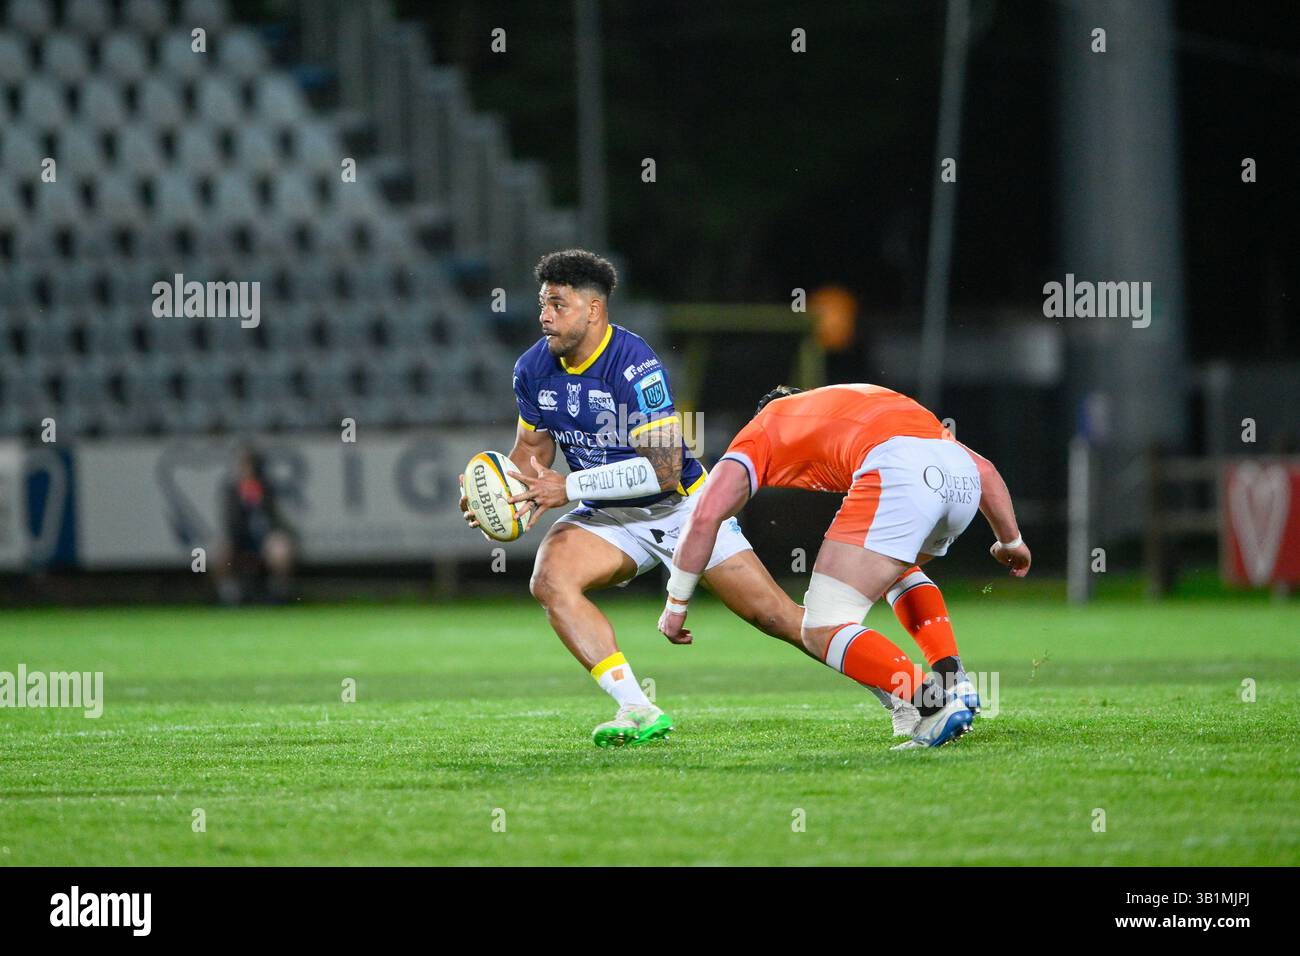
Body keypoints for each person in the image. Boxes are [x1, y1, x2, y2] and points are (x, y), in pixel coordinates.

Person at [458, 249, 808, 747]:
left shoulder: (634, 363)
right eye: (542, 303)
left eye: (557, 304)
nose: (544, 316)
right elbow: (532, 452)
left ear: (593, 310)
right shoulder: (533, 368)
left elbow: (664, 473)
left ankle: (907, 693)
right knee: (551, 579)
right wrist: (497, 490)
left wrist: (569, 487)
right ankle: (637, 707)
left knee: (777, 618)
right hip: (609, 515)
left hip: (683, 509)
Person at [658, 383, 1032, 750]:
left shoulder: (762, 429)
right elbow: (983, 469)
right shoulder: (850, 404)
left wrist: (676, 604)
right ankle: (954, 680)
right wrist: (1010, 541)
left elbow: (705, 515)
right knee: (895, 567)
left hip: (903, 472)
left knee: (822, 626)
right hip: (958, 481)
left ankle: (932, 705)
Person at [215, 448, 296, 605]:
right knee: (220, 550)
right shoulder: (232, 490)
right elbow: (230, 522)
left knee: (281, 548)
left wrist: (258, 499)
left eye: (248, 465)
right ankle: (228, 594)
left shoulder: (267, 488)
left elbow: (274, 519)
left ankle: (278, 592)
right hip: (240, 539)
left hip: (265, 539)